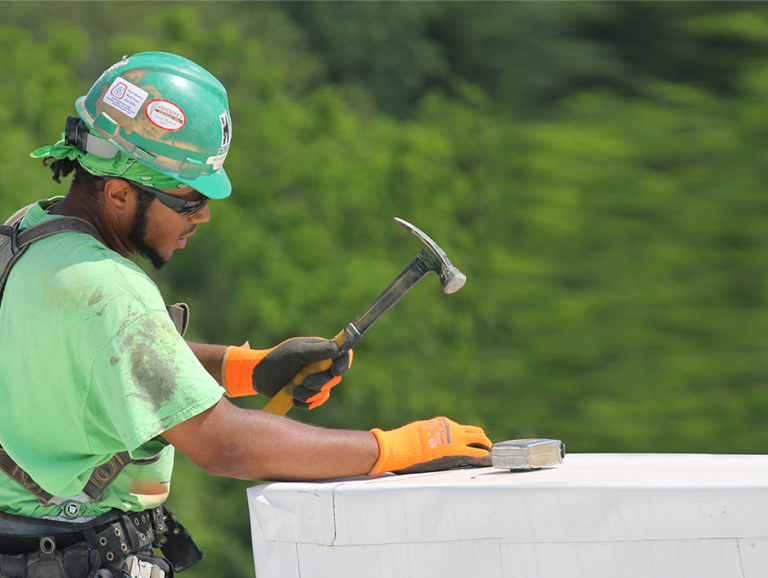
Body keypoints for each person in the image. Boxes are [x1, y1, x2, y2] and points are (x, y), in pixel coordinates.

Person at [0, 52, 492, 577]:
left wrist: (248, 369)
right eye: (189, 199)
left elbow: (104, 356)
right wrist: (395, 448)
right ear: (120, 192)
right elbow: (226, 445)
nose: (203, 214)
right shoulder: (112, 290)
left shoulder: (27, 236)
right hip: (75, 555)